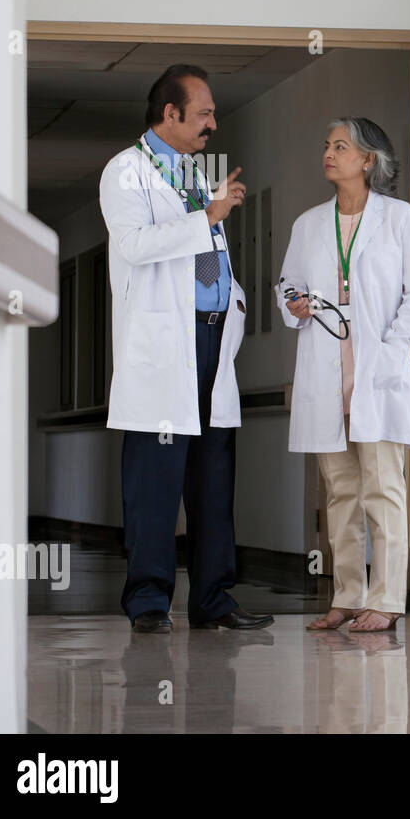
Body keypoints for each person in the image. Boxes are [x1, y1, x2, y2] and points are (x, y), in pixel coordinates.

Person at [99, 63, 273, 633]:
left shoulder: (194, 172)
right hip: (164, 344)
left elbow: (206, 251)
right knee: (155, 481)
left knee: (212, 478)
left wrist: (233, 299)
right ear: (169, 114)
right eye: (203, 113)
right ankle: (149, 602)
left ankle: (213, 601)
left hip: (210, 337)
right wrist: (209, 217)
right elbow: (135, 244)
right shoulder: (125, 172)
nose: (213, 124)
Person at [279, 117, 410, 632]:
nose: (329, 153)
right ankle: (347, 595)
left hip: (377, 371)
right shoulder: (308, 225)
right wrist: (296, 305)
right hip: (328, 370)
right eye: (327, 145)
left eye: (340, 146)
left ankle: (387, 600)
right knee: (339, 492)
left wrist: (395, 348)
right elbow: (287, 286)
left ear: (368, 160)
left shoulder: (402, 220)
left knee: (383, 487)